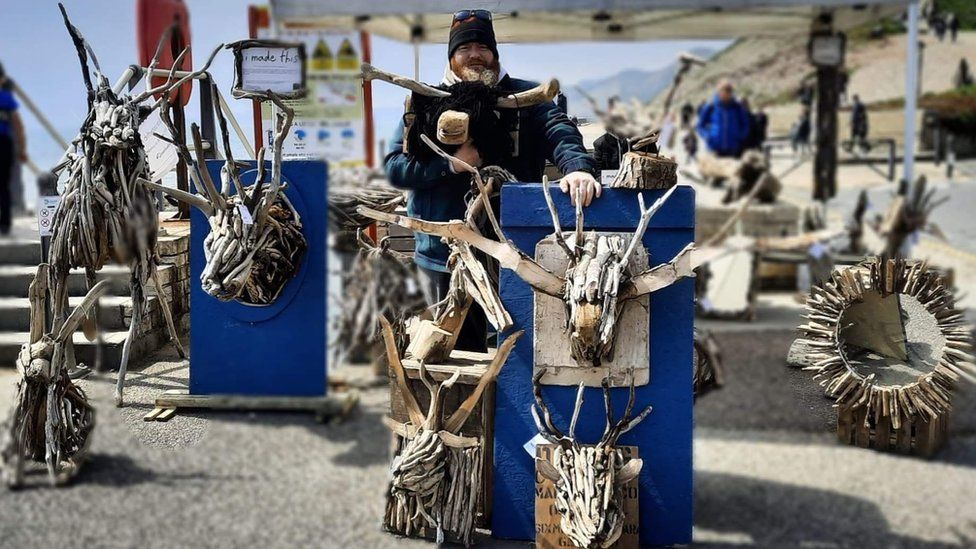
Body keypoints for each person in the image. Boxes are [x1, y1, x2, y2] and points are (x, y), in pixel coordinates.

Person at [384, 10, 599, 352]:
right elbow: (395, 166)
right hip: (443, 258)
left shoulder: (529, 99)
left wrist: (577, 167)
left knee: (518, 354)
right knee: (447, 356)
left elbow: (560, 132)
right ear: (451, 57)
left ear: (495, 54)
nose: (474, 54)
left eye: (483, 46)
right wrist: (452, 167)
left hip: (513, 255)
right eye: (464, 47)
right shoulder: (423, 103)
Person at [0, 63, 28, 237]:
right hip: (4, 143)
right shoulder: (5, 98)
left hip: (4, 143)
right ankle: (4, 223)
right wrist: (22, 148)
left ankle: (5, 222)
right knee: (3, 185)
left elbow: (17, 125)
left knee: (3, 184)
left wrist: (22, 148)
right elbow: (17, 125)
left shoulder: (6, 98)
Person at [696, 80, 752, 158]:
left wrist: (740, 136)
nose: (726, 94)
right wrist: (707, 136)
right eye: (724, 91)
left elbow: (745, 125)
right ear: (719, 92)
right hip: (714, 149)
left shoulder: (737, 107)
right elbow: (700, 126)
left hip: (732, 149)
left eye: (729, 91)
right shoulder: (710, 106)